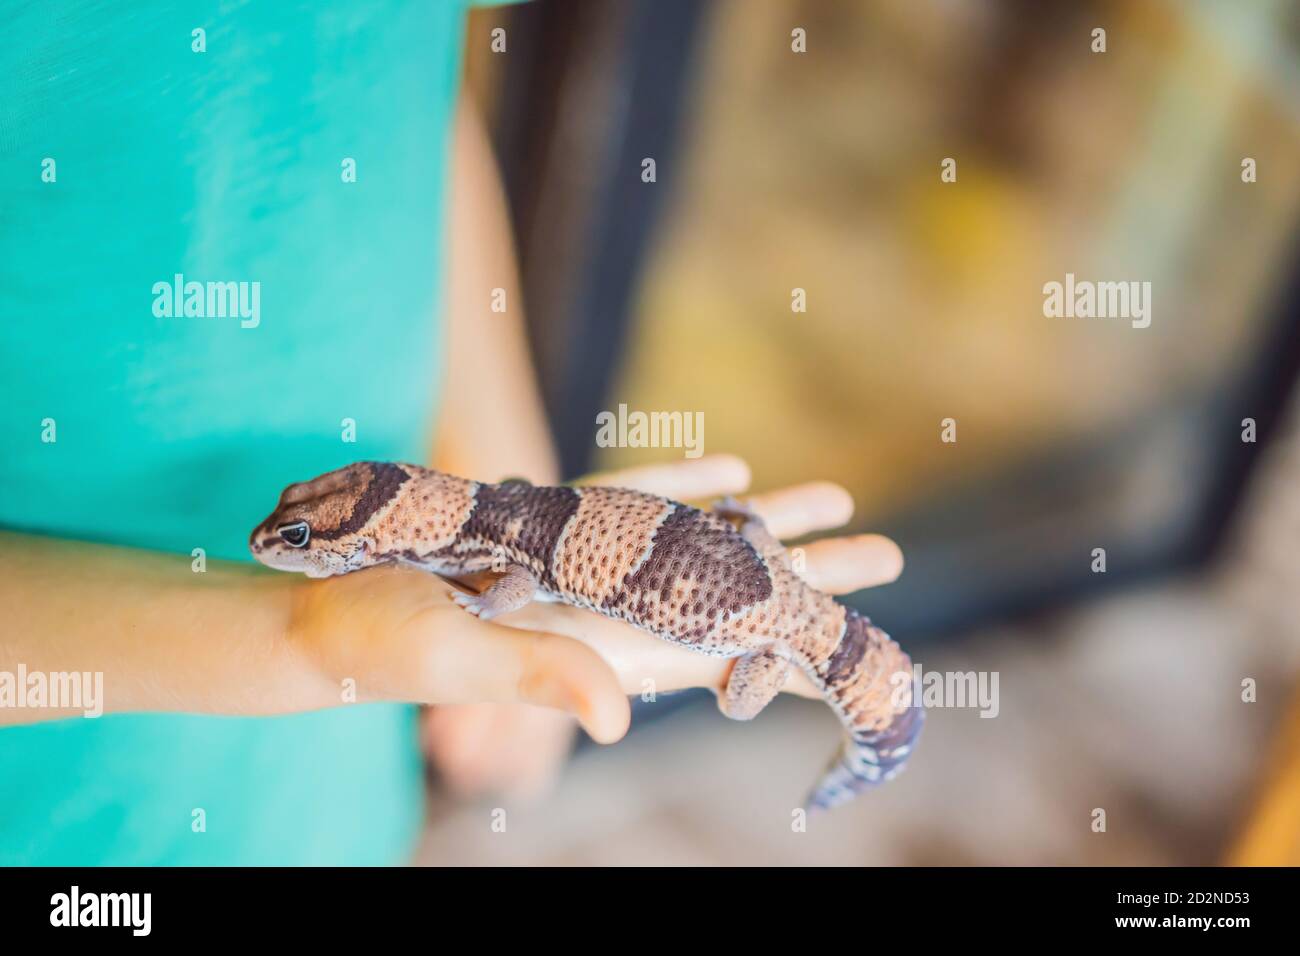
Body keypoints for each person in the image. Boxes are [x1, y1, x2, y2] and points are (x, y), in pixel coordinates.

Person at [0, 1, 903, 864]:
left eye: (304, 534)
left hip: (339, 803)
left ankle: (870, 750)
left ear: (383, 532)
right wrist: (301, 640)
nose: (280, 539)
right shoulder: (479, 525)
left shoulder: (483, 536)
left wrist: (493, 453)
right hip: (68, 823)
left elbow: (420, 100)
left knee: (746, 696)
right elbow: (506, 569)